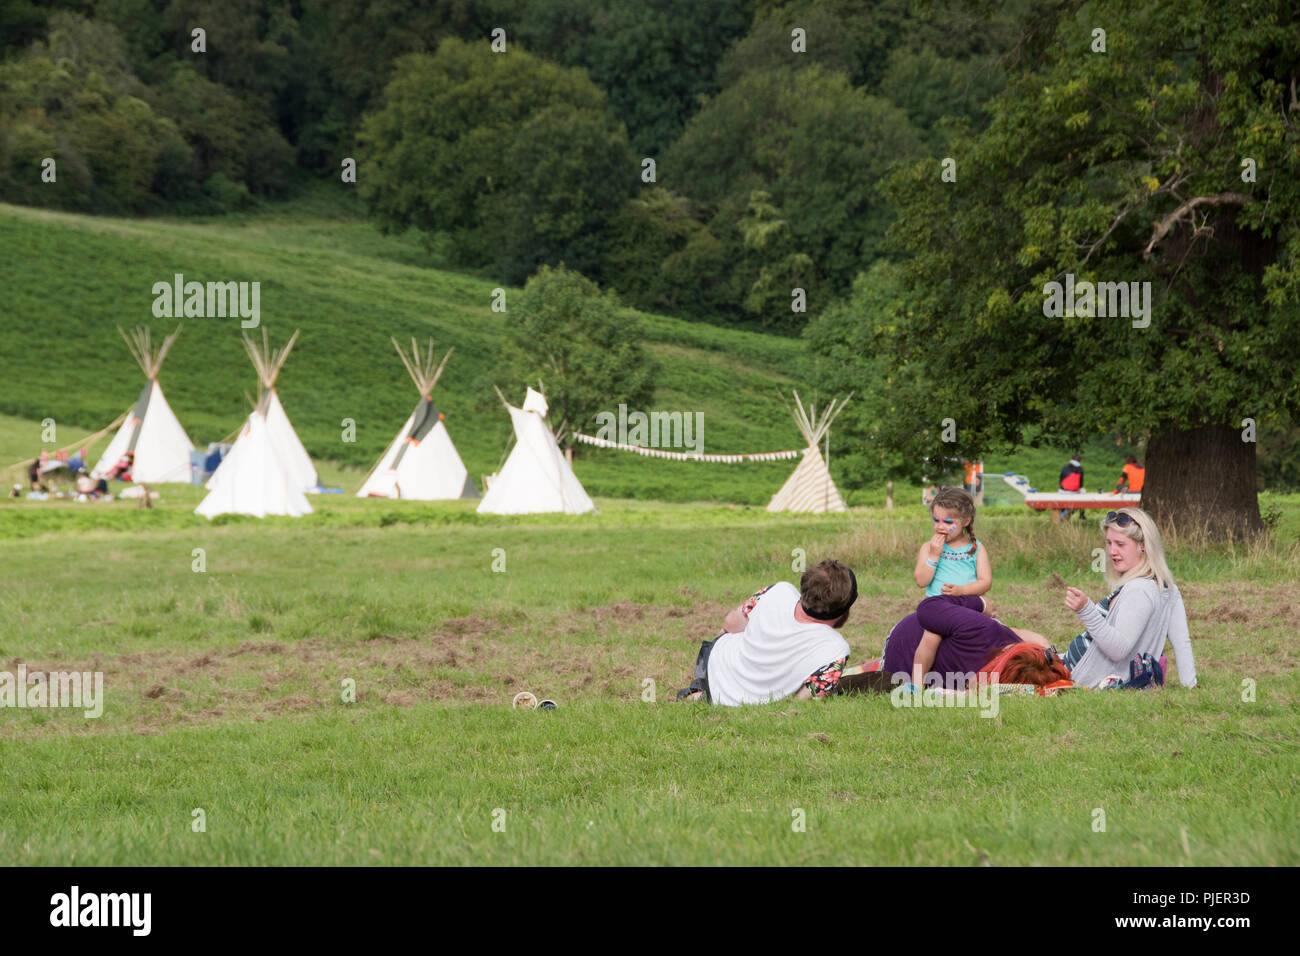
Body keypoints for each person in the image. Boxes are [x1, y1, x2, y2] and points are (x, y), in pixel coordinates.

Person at [678, 559, 857, 705]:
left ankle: (704, 690)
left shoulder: (780, 591)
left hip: (715, 663)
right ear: (843, 609)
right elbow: (803, 699)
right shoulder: (836, 650)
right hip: (749, 700)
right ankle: (708, 697)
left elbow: (730, 624)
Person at [1062, 507, 1196, 688]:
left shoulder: (1139, 589)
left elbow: (1118, 649)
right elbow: (1182, 644)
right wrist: (1190, 685)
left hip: (1079, 676)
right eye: (1109, 543)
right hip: (1073, 666)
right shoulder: (1167, 589)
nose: (1112, 551)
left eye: (1120, 544)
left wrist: (1086, 609)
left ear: (1143, 545)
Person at [881, 594, 1054, 692]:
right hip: (903, 646)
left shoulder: (991, 681)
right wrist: (980, 602)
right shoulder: (980, 628)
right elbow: (930, 623)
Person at [910, 487, 992, 688]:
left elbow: (985, 582)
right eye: (935, 520)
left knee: (989, 626)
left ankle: (981, 679)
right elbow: (921, 580)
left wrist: (961, 591)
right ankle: (916, 684)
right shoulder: (928, 548)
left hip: (965, 603)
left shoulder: (976, 548)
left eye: (948, 522)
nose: (940, 526)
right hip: (937, 607)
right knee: (931, 636)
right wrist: (934, 556)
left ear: (965, 521)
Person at [1058, 452, 1084, 520]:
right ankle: (1082, 514)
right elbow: (1081, 484)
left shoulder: (1065, 468)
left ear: (1071, 460)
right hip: (1074, 492)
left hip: (1063, 491)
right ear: (1080, 461)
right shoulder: (1080, 469)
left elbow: (1061, 479)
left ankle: (1063, 514)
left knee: (1062, 502)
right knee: (1083, 495)